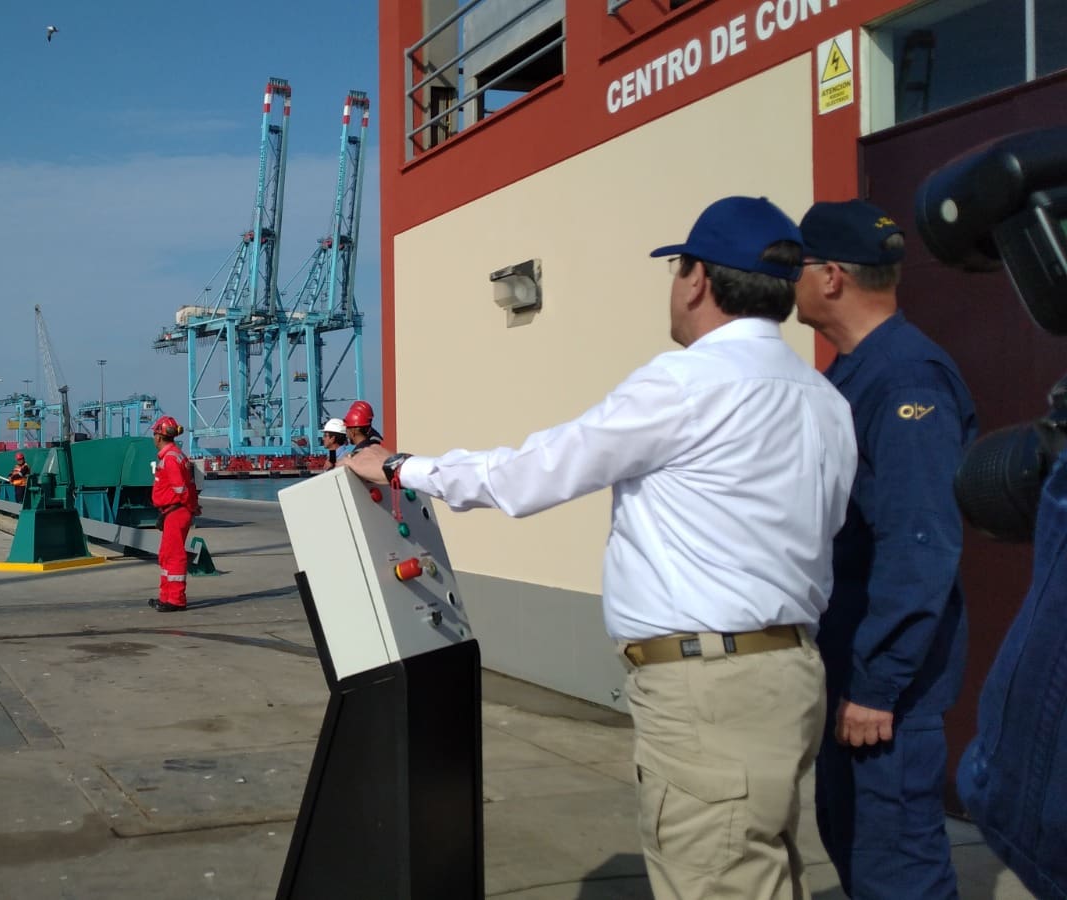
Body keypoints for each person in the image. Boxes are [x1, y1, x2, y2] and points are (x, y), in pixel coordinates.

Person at [345, 196, 857, 899]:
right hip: (791, 671)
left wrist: (402, 467)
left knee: (717, 878)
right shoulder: (822, 398)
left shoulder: (685, 385)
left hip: (706, 687)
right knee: (766, 863)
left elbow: (535, 473)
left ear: (698, 279)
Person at [796, 199, 977, 899]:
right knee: (857, 851)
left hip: (886, 695)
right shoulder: (854, 372)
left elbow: (920, 541)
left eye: (799, 267)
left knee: (897, 870)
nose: (790, 284)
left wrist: (878, 683)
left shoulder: (905, 380)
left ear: (833, 276)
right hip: (852, 671)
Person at [149, 416, 200, 613]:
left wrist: (189, 506)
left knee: (174, 556)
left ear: (160, 436)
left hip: (175, 511)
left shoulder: (170, 458)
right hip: (175, 511)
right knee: (166, 555)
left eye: (154, 434)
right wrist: (193, 506)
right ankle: (166, 597)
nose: (153, 438)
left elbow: (180, 488)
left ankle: (176, 599)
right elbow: (190, 485)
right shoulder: (177, 455)